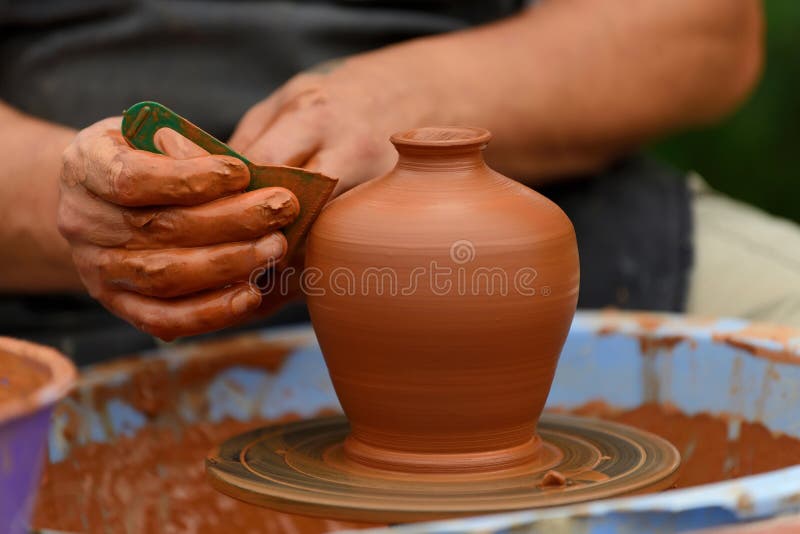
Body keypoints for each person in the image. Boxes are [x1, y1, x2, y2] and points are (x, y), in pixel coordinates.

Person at [3, 0, 787, 363]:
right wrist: (87, 202)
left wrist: (418, 104)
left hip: (563, 230)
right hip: (63, 306)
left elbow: (704, 26)